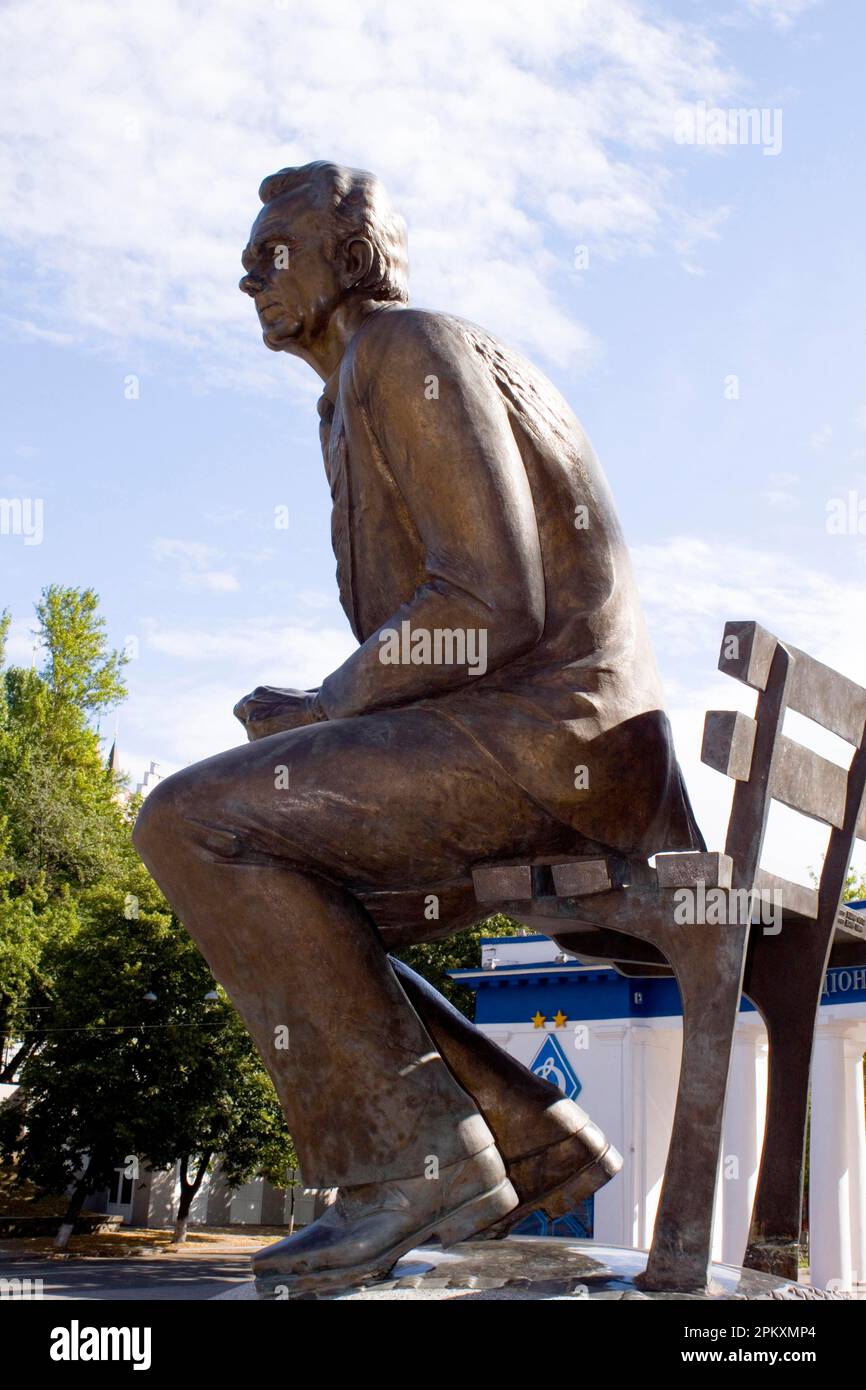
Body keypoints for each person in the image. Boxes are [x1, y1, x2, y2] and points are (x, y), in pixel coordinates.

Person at [134, 161, 702, 1293]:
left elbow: (489, 600)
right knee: (275, 888)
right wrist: (316, 713)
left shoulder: (404, 349)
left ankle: (418, 1162)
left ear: (350, 259)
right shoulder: (350, 391)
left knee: (190, 822)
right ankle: (526, 1135)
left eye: (273, 248)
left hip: (554, 745)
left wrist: (327, 706)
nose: (247, 272)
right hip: (543, 741)